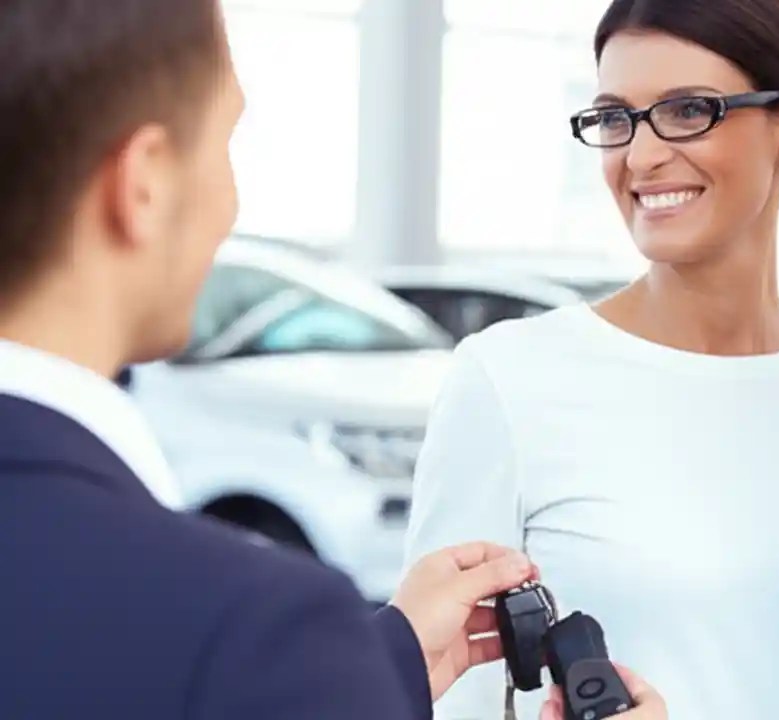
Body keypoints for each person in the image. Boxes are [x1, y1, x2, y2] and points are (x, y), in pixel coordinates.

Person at [0, 1, 541, 717]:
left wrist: (381, 662)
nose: (231, 201)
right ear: (145, 183)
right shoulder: (250, 634)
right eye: (224, 141)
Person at [403, 0, 779, 718]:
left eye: (689, 111)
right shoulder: (510, 382)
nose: (643, 156)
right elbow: (448, 700)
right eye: (615, 119)